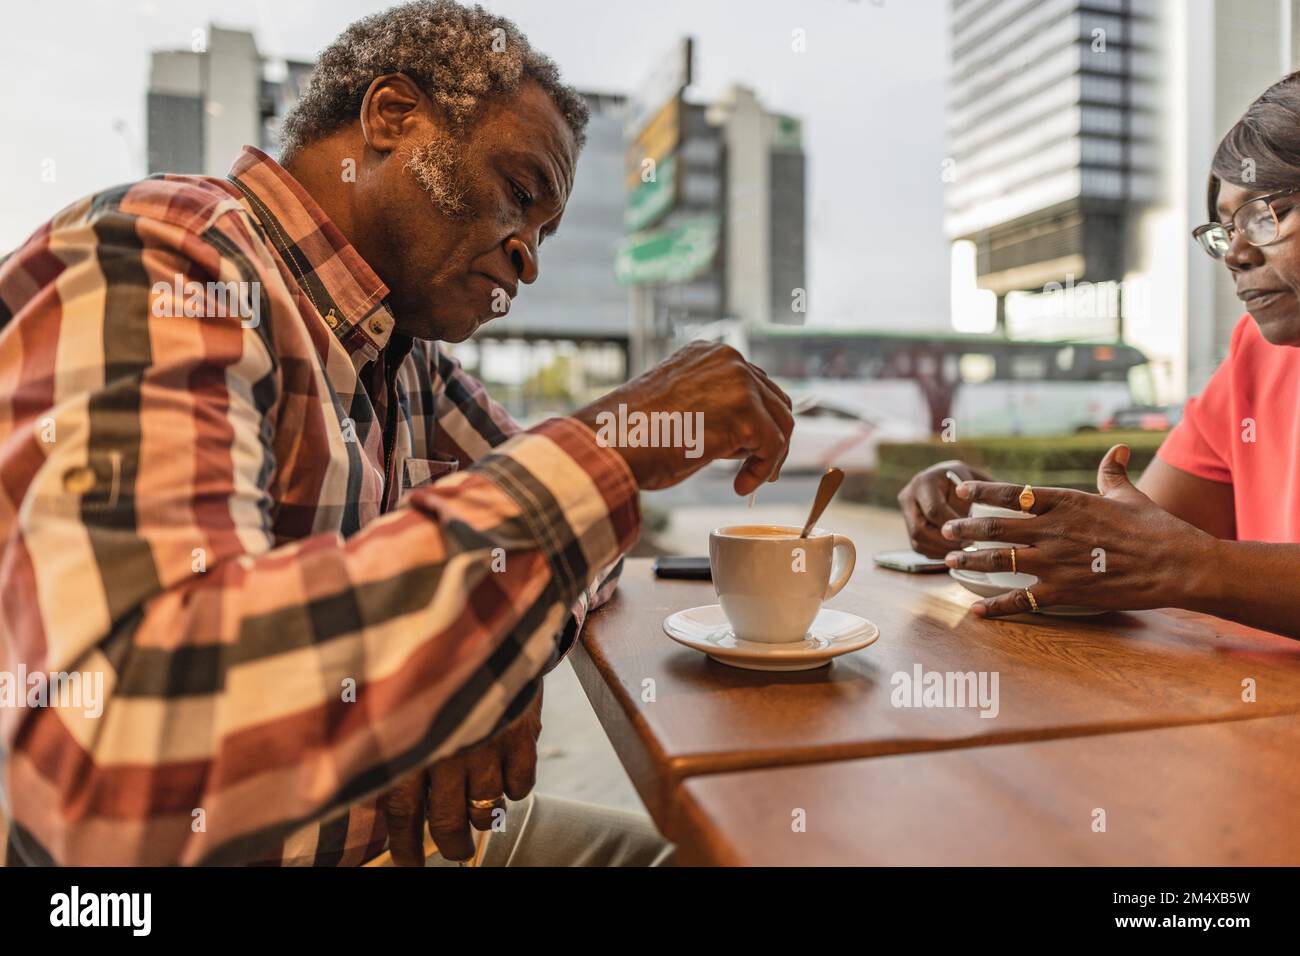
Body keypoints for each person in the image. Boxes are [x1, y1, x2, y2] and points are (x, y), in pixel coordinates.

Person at [0, 0, 791, 866]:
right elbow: (112, 763)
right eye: (519, 194)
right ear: (391, 116)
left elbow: (573, 536)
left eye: (545, 234)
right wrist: (614, 442)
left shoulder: (402, 356)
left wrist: (477, 655)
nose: (529, 256)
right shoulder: (166, 261)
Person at [898, 71, 1300, 642]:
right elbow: (1136, 543)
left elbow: (1175, 559)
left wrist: (1196, 568)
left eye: (1266, 216)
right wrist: (985, 513)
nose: (1235, 252)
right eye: (1225, 227)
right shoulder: (1255, 355)